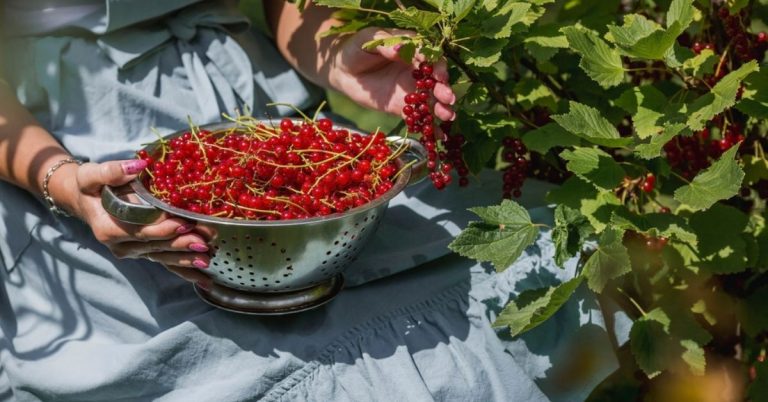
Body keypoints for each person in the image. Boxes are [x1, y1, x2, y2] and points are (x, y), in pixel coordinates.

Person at [0, 1, 626, 400]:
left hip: (264, 102)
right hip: (73, 142)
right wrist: (59, 178)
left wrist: (336, 54)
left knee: (554, 248)